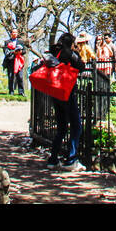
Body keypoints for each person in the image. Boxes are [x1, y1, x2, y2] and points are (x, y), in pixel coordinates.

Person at [46, 33, 86, 172]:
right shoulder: (69, 53)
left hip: (54, 92)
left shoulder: (54, 52)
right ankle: (71, 159)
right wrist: (76, 52)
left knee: (62, 127)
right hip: (67, 91)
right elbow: (81, 66)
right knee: (76, 126)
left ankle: (53, 159)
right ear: (71, 43)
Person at [2, 28, 27, 95]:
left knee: (20, 76)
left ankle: (21, 92)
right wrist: (13, 52)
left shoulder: (21, 41)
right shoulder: (7, 42)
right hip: (10, 61)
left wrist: (21, 52)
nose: (15, 33)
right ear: (11, 33)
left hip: (19, 62)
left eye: (16, 32)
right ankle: (11, 91)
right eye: (13, 32)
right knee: (11, 76)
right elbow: (5, 51)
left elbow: (24, 50)